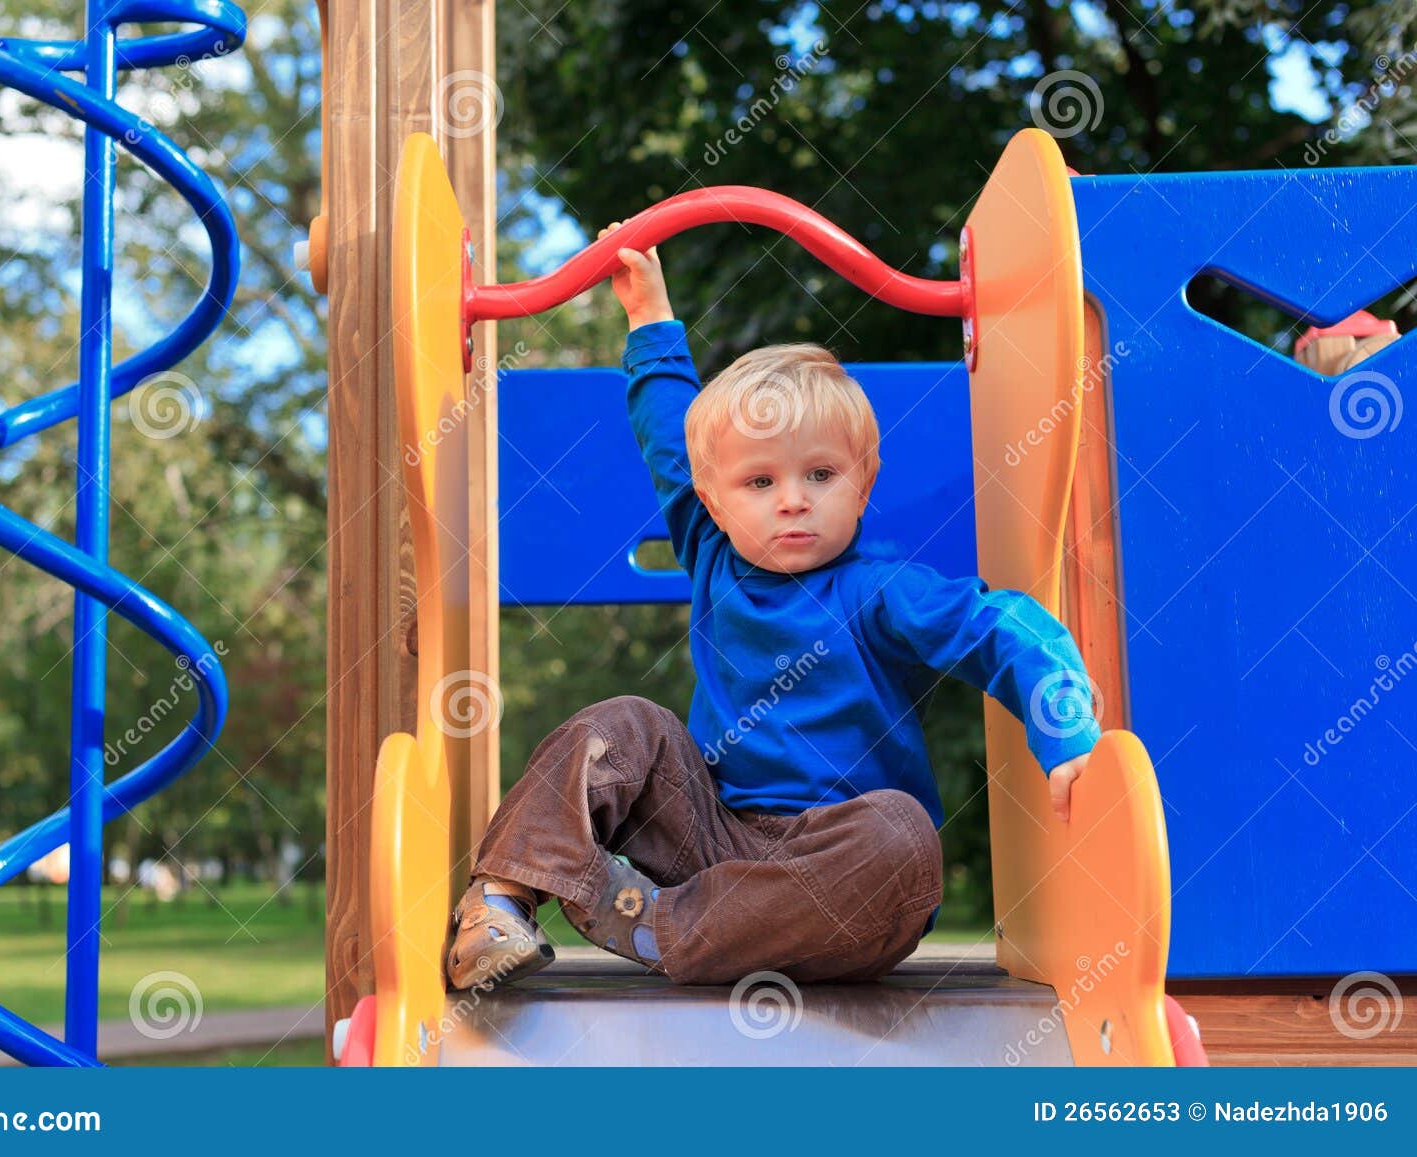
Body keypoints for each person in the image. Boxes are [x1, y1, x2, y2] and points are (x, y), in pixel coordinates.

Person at [444, 224, 1100, 990]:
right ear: (714, 499)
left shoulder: (881, 590)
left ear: (863, 483)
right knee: (624, 724)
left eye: (820, 474)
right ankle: (500, 902)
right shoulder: (712, 551)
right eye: (760, 482)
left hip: (839, 877)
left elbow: (1000, 627)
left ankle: (655, 924)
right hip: (710, 841)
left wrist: (1065, 726)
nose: (792, 500)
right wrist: (649, 316)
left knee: (904, 832)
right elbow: (668, 435)